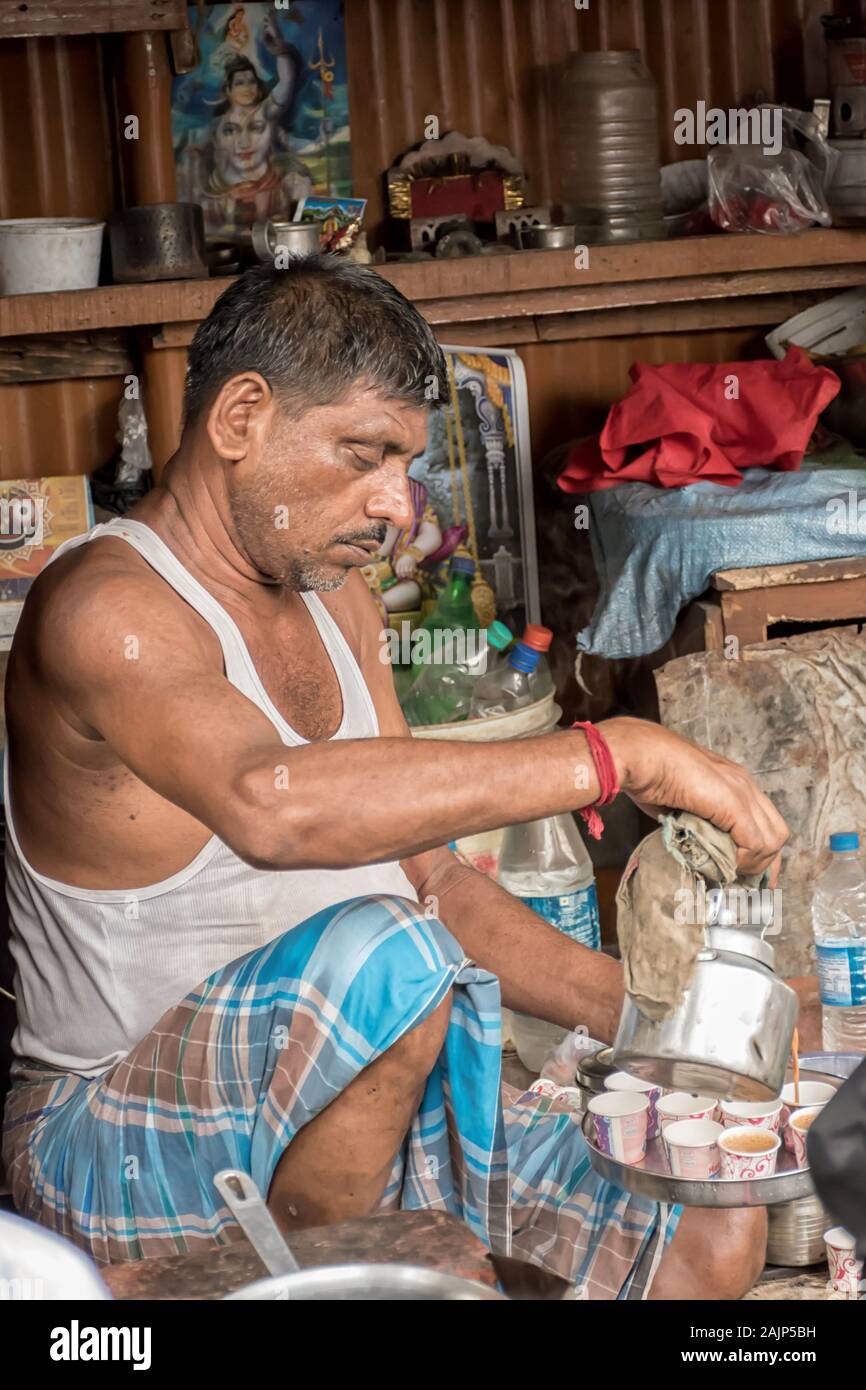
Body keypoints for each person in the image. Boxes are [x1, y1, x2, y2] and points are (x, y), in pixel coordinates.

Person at [2, 258, 815, 1296]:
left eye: (406, 465)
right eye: (362, 455)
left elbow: (434, 884)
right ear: (241, 416)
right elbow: (273, 804)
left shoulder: (336, 602)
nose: (394, 506)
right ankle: (314, 1285)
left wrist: (674, 1036)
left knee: (702, 1212)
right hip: (116, 1134)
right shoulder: (105, 607)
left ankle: (378, 1256)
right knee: (394, 956)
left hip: (367, 1084)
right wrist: (610, 754)